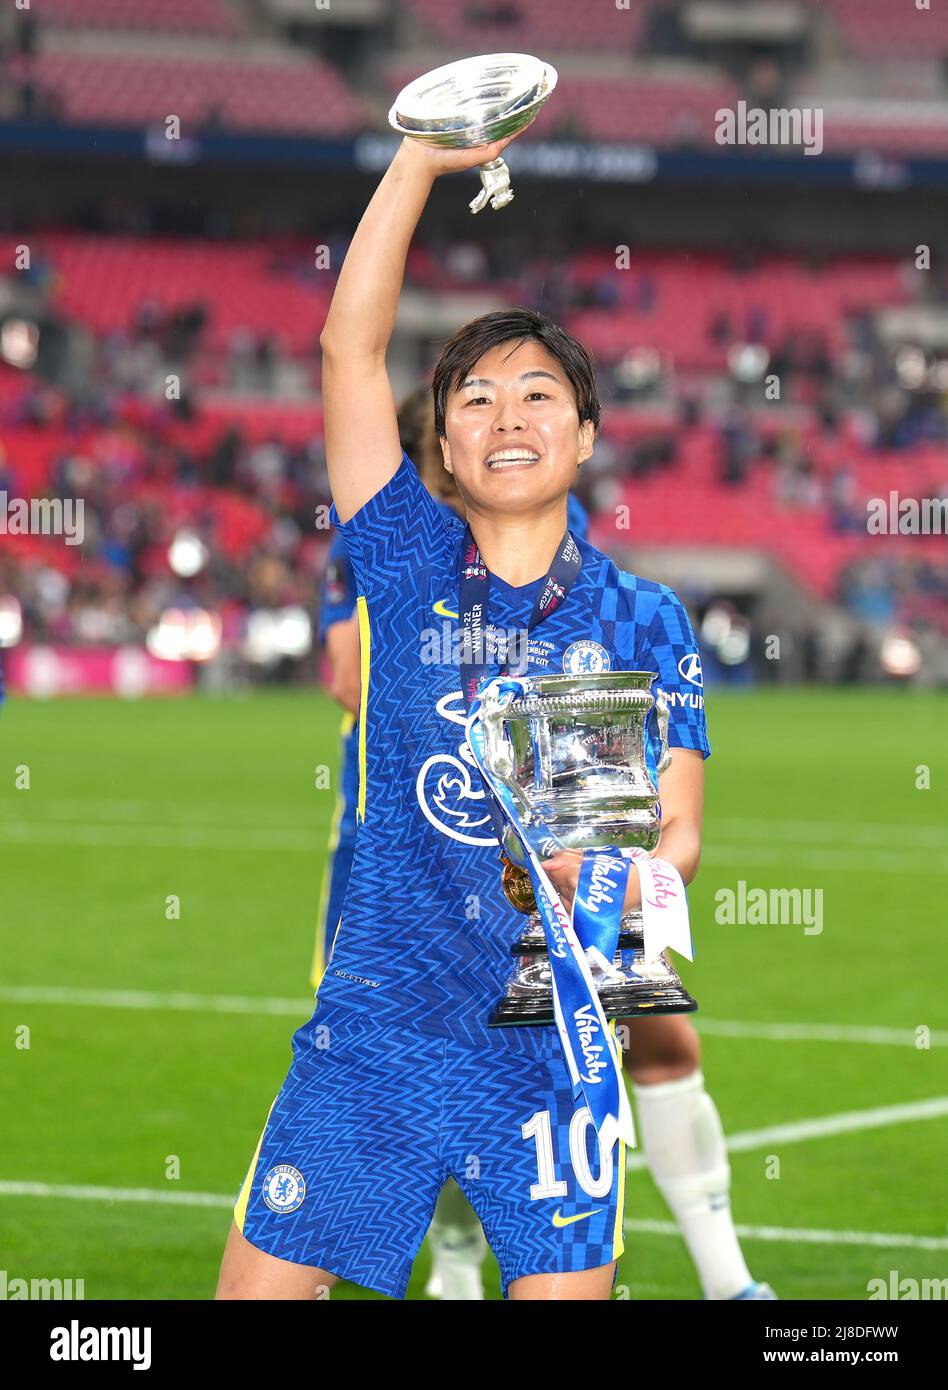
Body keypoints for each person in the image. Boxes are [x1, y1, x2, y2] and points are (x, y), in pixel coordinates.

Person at [217, 131, 707, 1301]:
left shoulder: (640, 618)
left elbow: (678, 831)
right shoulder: (404, 559)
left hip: (549, 1051)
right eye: (475, 400)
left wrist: (623, 879)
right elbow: (349, 347)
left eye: (539, 393)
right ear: (442, 446)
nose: (506, 414)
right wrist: (419, 166)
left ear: (585, 436)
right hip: (373, 1038)